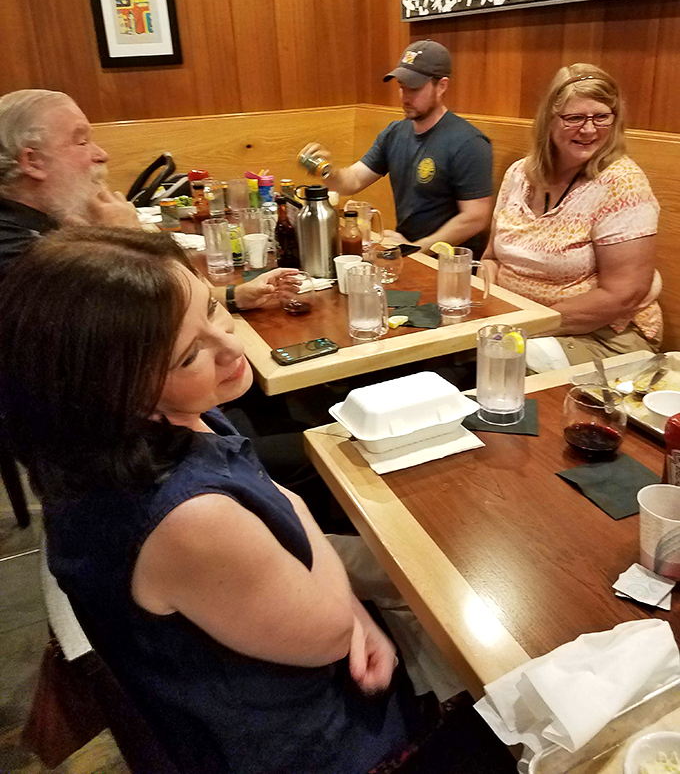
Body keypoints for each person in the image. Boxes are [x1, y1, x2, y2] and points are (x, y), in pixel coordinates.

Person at [0, 227, 515, 774]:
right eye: (189, 355)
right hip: (310, 747)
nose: (231, 346)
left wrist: (340, 603)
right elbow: (330, 631)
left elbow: (280, 515)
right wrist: (342, 609)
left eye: (212, 312)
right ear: (111, 388)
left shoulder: (141, 429)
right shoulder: (185, 517)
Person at [0, 88, 292, 310]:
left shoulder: (42, 222)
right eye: (81, 141)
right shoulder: (18, 255)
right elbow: (148, 320)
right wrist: (124, 240)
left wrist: (233, 296)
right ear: (33, 162)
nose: (101, 154)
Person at [482, 64, 662, 367]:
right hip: (517, 324)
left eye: (602, 117)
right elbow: (490, 257)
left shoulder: (622, 183)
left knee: (499, 365)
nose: (589, 129)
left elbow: (624, 295)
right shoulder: (518, 174)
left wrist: (519, 327)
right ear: (548, 121)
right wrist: (487, 307)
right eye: (575, 118)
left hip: (603, 337)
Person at [301, 40, 494, 258]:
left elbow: (476, 217)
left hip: (450, 263)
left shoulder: (469, 142)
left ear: (441, 86)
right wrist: (326, 170)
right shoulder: (395, 133)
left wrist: (417, 249)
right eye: (402, 87)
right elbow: (352, 181)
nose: (405, 97)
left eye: (414, 88)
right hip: (407, 252)